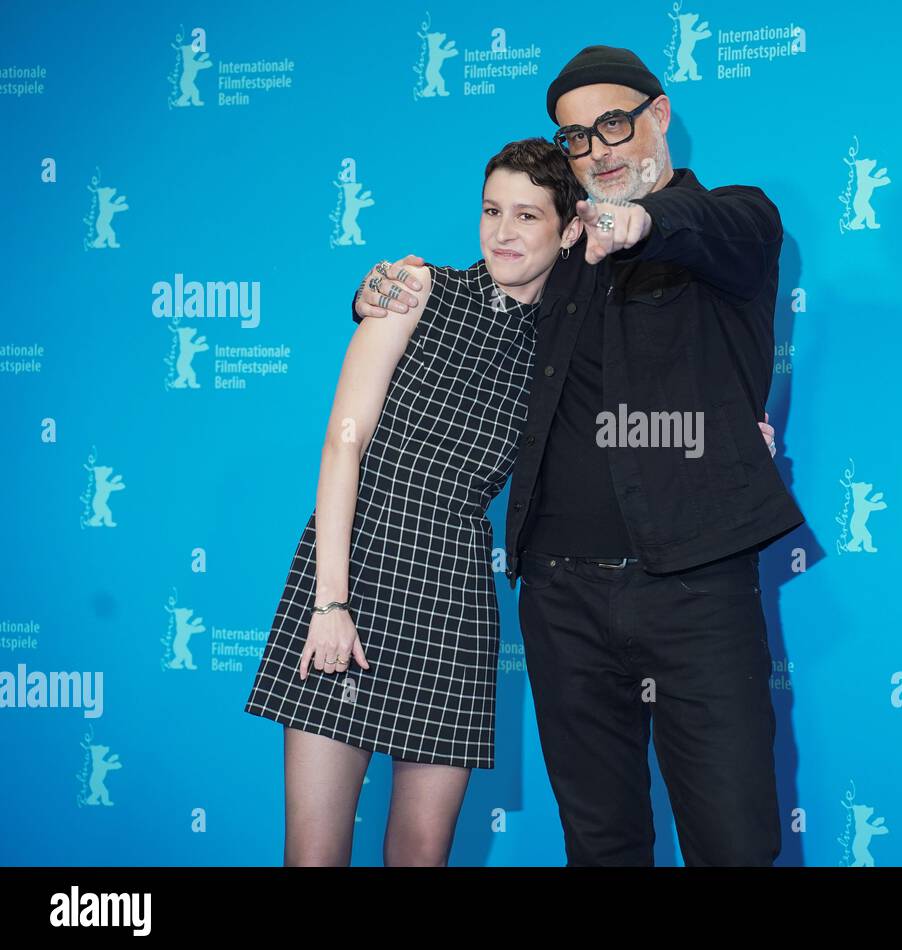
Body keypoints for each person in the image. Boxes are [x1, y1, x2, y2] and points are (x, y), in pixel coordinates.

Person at [351, 46, 805, 866]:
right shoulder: (557, 259)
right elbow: (477, 283)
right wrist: (384, 288)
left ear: (658, 117)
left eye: (613, 124)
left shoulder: (734, 223)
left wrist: (646, 220)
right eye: (575, 138)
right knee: (600, 845)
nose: (597, 148)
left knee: (734, 843)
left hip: (694, 588)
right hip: (561, 602)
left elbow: (720, 227)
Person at [244, 138, 584, 866]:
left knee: (422, 853)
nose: (503, 232)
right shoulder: (417, 287)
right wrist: (329, 604)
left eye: (528, 215)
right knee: (313, 853)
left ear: (569, 228)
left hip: (454, 593)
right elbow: (345, 442)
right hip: (356, 567)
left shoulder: (566, 346)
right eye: (492, 210)